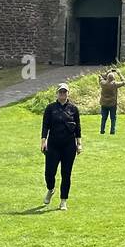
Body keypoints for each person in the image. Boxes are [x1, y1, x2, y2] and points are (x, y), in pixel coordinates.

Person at [40, 82, 82, 210]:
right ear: (57, 93)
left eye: (65, 92)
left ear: (68, 93)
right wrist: (43, 141)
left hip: (68, 146)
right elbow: (45, 126)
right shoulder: (50, 108)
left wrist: (79, 143)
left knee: (66, 173)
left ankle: (63, 201)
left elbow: (78, 128)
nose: (62, 94)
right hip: (53, 144)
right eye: (60, 92)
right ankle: (51, 189)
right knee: (49, 172)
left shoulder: (73, 109)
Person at [99, 68, 125, 135]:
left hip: (104, 103)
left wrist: (107, 72)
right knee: (113, 118)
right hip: (112, 104)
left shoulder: (103, 83)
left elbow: (100, 76)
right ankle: (112, 131)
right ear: (113, 78)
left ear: (107, 78)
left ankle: (102, 131)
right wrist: (119, 73)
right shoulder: (115, 84)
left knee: (104, 118)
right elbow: (124, 82)